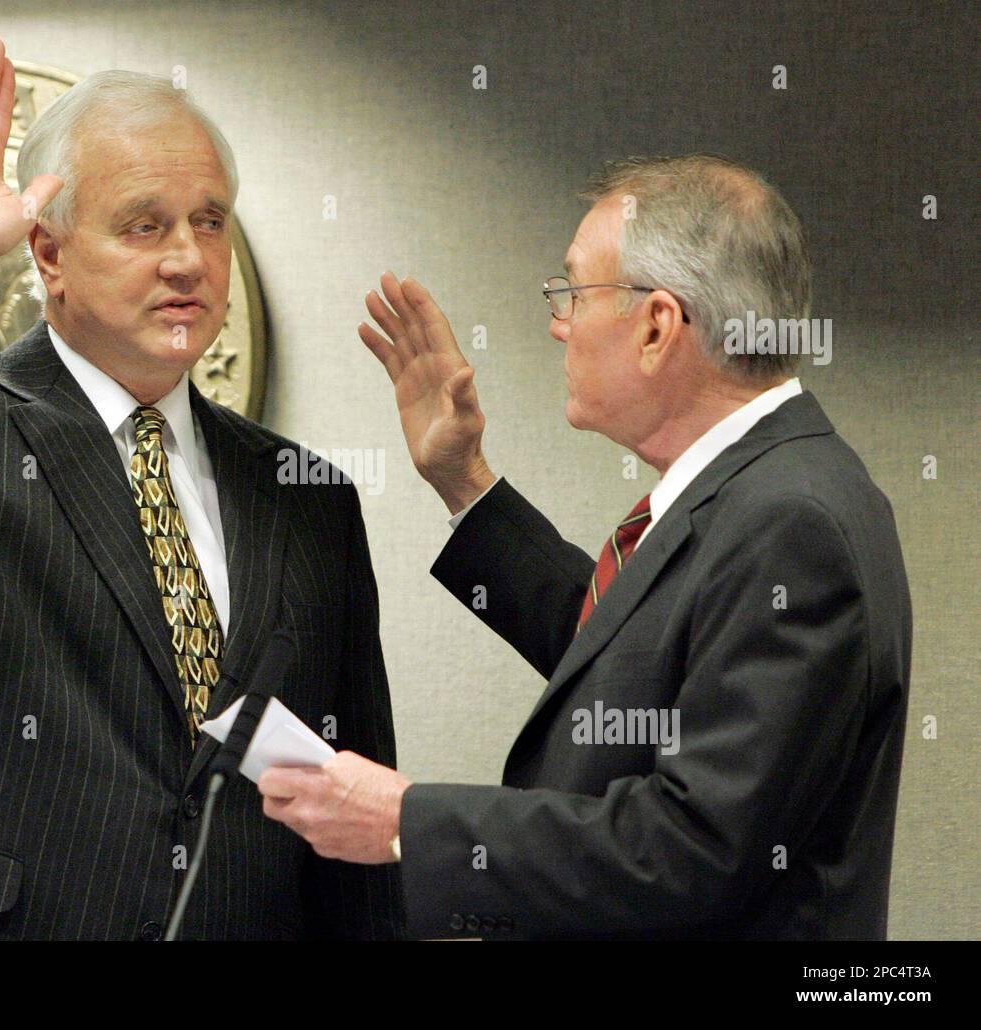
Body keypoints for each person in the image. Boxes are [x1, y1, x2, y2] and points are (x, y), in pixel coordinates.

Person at [0, 37, 402, 940]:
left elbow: (350, 810)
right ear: (48, 256)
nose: (187, 259)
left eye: (209, 222)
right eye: (145, 225)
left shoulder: (308, 496)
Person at [258, 154, 912, 940]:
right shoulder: (764, 489)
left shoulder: (789, 524)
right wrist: (464, 479)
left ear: (657, 326)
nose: (558, 323)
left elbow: (691, 852)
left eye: (573, 291)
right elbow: (628, 650)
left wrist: (406, 822)